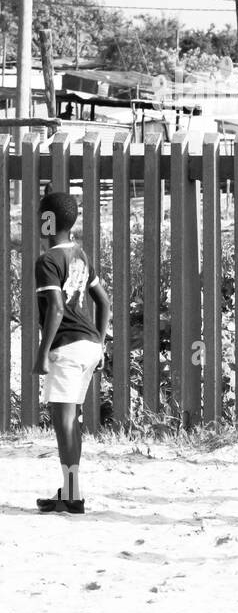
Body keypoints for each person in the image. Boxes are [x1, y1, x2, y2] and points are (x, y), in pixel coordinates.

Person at [33, 191, 110, 516]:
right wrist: (102, 345)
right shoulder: (79, 255)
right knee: (71, 420)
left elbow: (56, 307)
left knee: (64, 423)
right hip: (89, 344)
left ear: (47, 221)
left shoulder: (47, 261)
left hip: (66, 346)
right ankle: (70, 489)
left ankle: (74, 494)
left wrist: (42, 352)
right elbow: (104, 302)